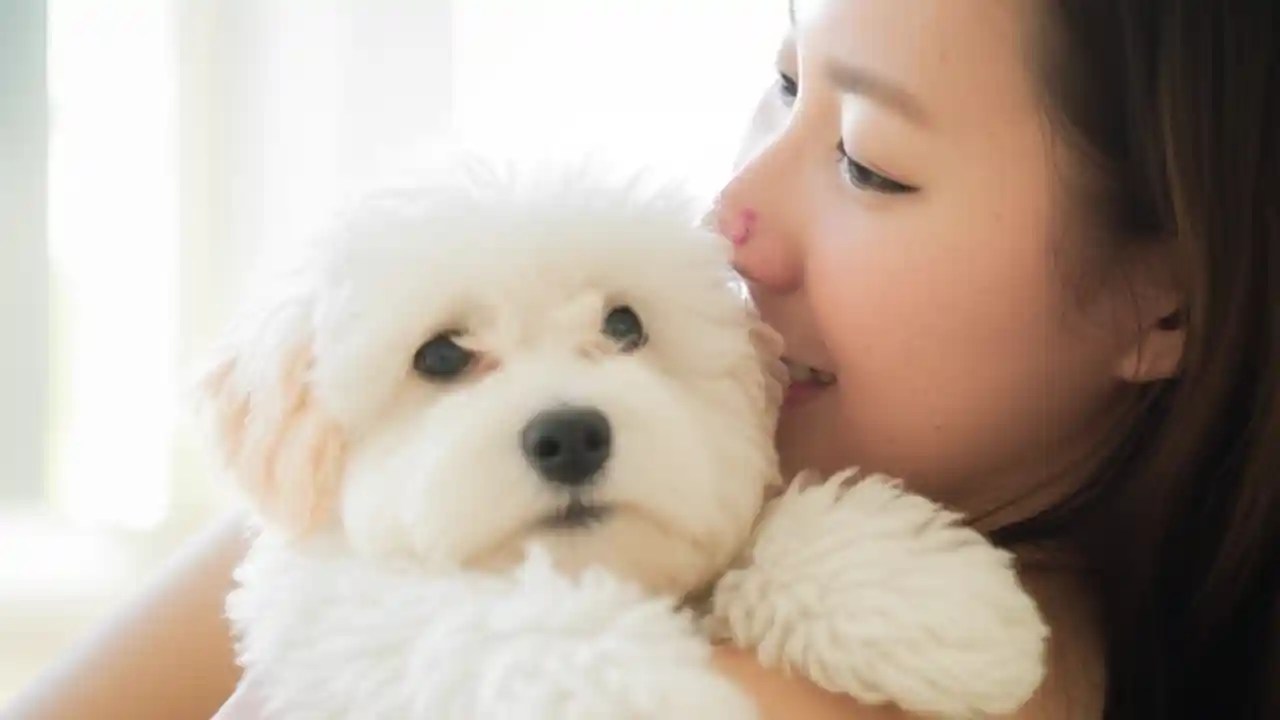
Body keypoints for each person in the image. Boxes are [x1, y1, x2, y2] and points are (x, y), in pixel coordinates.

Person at [8, 1, 1276, 718]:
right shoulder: (387, 491)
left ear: (1158, 303)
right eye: (782, 86)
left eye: (867, 163)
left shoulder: (888, 668)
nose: (732, 204)